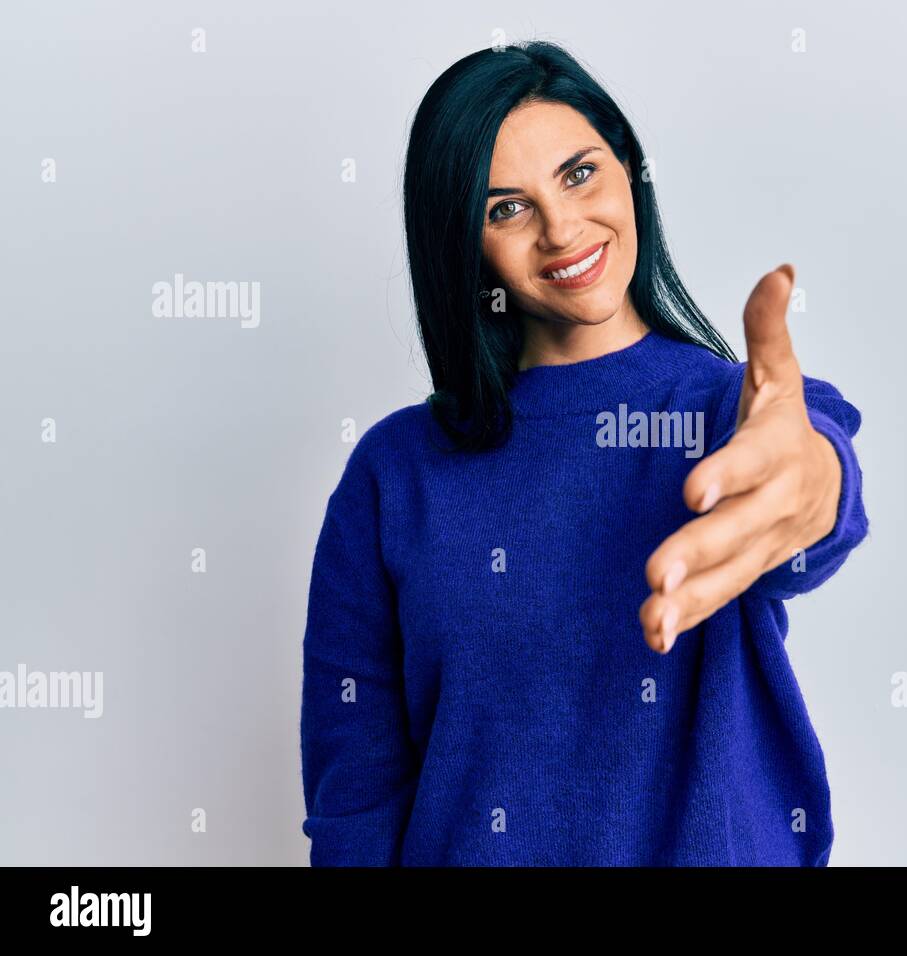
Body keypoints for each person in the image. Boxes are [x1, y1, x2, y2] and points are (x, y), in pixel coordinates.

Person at [299, 39, 869, 866]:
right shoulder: (394, 474)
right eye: (506, 208)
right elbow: (354, 797)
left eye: (578, 174)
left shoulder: (727, 412)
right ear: (463, 245)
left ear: (630, 169)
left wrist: (818, 483)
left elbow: (813, 478)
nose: (563, 229)